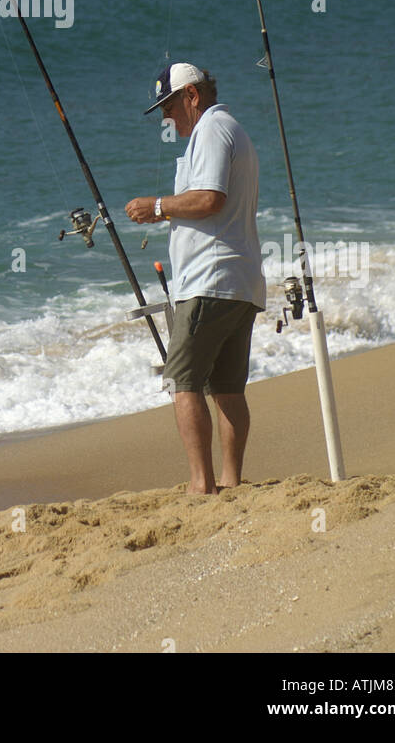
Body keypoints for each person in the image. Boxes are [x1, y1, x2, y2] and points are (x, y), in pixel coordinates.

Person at [125, 63, 265, 495]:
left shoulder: (212, 130)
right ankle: (230, 482)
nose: (166, 118)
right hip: (237, 281)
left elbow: (209, 198)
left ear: (192, 95)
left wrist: (159, 206)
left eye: (169, 106)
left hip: (210, 280)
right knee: (226, 388)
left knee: (182, 382)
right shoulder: (228, 129)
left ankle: (201, 486)